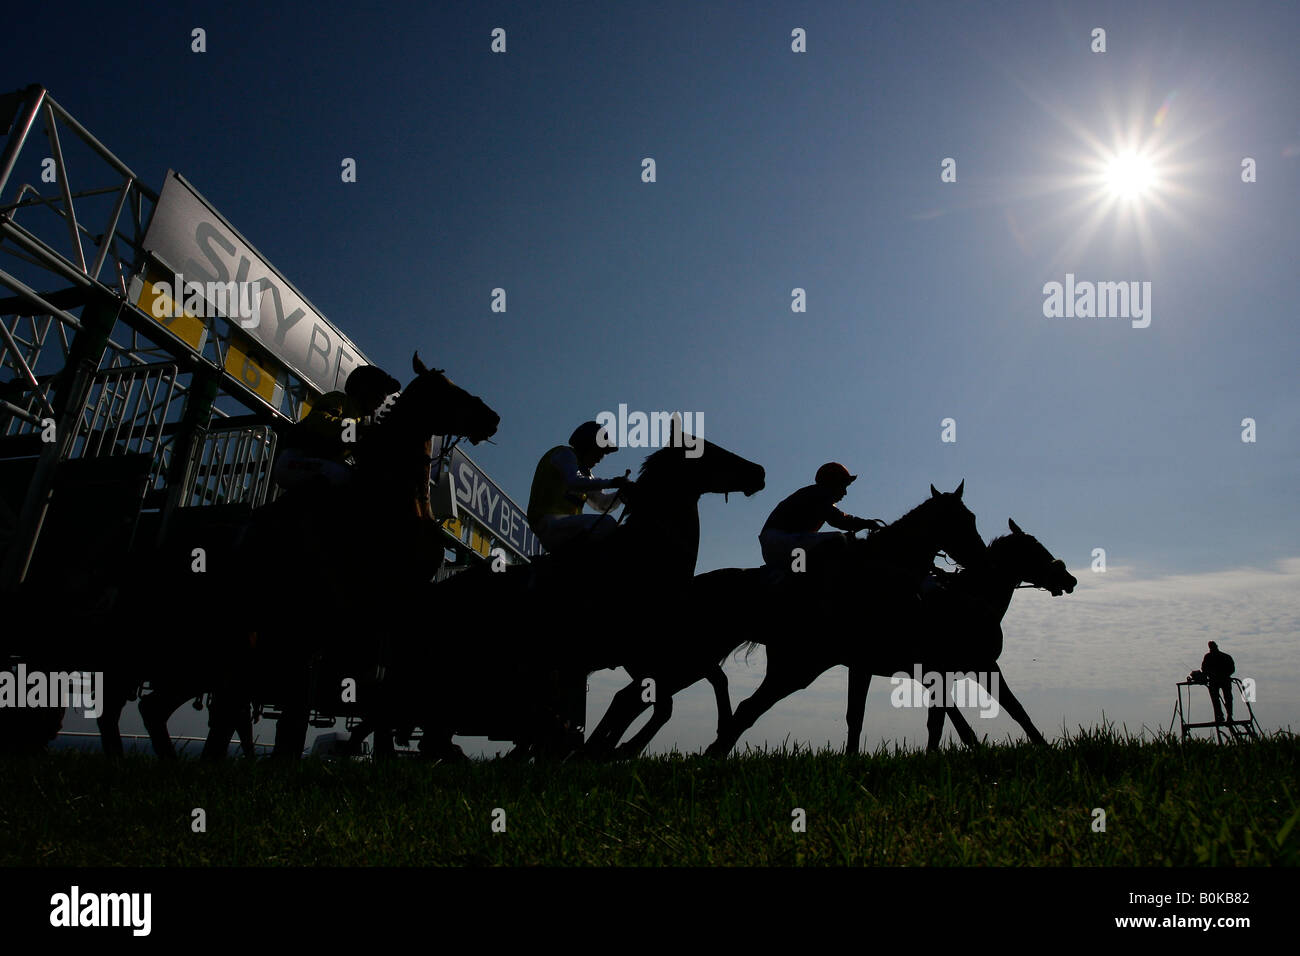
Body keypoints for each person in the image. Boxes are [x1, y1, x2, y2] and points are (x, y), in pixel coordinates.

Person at [273, 364, 401, 491]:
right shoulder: (339, 400)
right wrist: (359, 431)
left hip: (317, 465)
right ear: (363, 388)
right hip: (294, 461)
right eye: (379, 390)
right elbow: (319, 421)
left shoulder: (362, 420)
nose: (383, 399)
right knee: (341, 475)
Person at [527, 421, 631, 552]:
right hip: (548, 525)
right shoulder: (564, 454)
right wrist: (612, 483)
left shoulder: (586, 475)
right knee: (607, 524)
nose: (601, 457)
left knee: (611, 530)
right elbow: (574, 482)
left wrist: (621, 494)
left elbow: (602, 504)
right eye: (600, 451)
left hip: (565, 530)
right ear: (586, 445)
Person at [759, 462, 884, 568]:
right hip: (780, 543)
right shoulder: (819, 494)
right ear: (833, 483)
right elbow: (839, 520)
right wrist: (868, 523)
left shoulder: (813, 494)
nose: (845, 493)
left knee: (839, 541)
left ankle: (794, 574)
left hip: (779, 545)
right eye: (843, 486)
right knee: (838, 539)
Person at [1202, 640, 1236, 724]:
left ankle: (1228, 716)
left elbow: (1232, 669)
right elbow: (1204, 669)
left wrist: (1221, 675)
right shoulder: (1208, 657)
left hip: (1222, 681)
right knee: (1217, 699)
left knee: (1226, 698)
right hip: (1215, 681)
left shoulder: (1224, 657)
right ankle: (1220, 716)